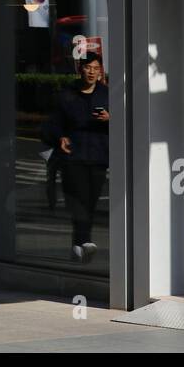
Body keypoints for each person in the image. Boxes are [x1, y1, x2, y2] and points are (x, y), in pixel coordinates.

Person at [43, 55, 110, 263]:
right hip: (74, 156)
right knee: (79, 200)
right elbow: (53, 124)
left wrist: (111, 118)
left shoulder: (107, 95)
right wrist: (60, 137)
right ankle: (85, 241)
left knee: (90, 200)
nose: (92, 72)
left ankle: (78, 245)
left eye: (95, 68)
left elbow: (126, 123)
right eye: (88, 68)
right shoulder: (67, 96)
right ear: (80, 70)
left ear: (100, 72)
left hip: (99, 156)